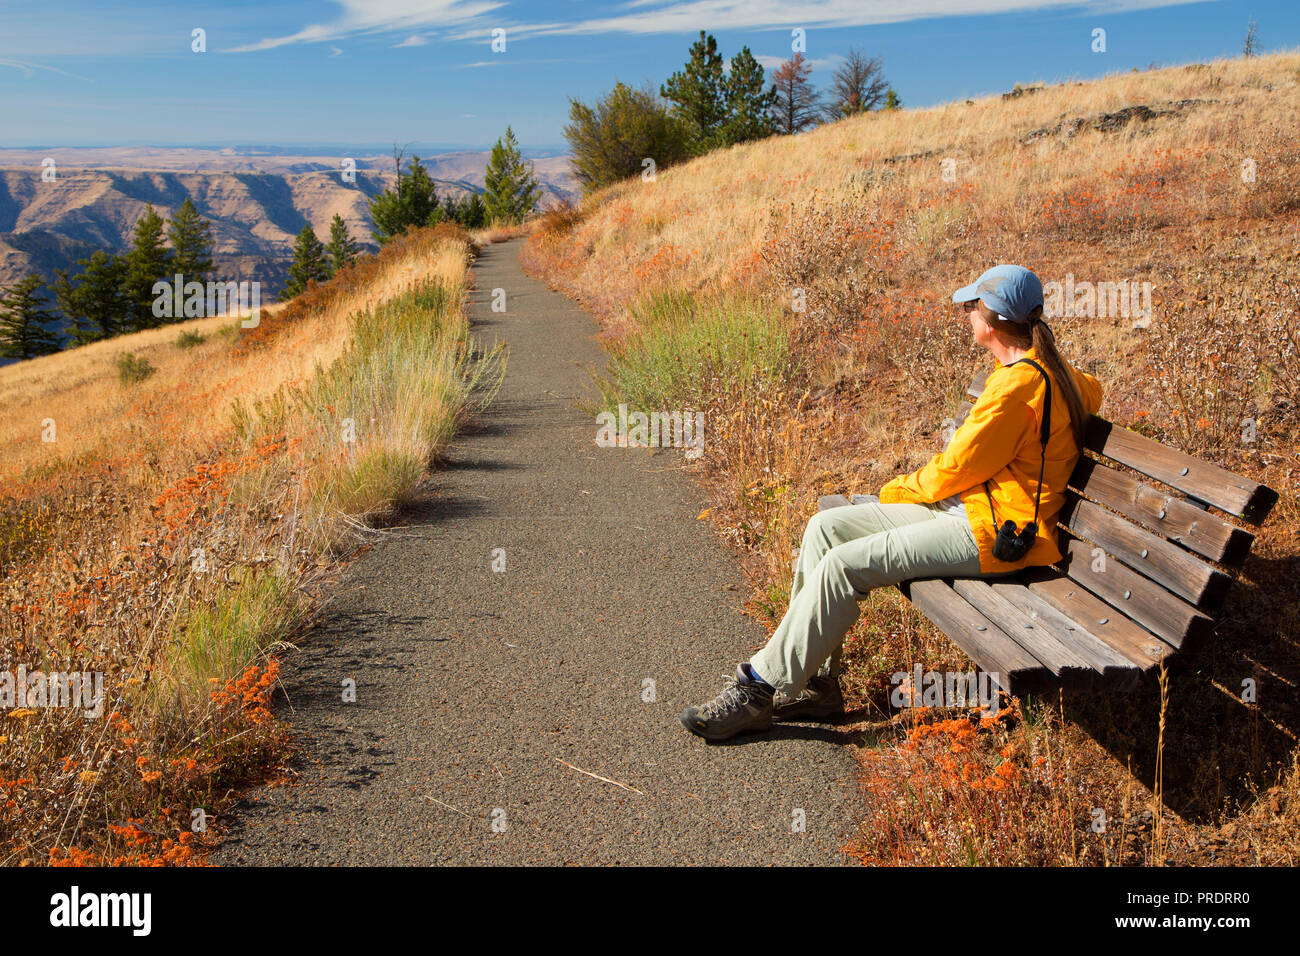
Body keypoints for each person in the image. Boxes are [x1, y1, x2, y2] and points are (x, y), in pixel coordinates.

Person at [680, 264, 1104, 741]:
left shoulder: (1014, 389)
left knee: (843, 565)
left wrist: (895, 491)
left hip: (994, 535)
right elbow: (1090, 390)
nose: (966, 316)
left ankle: (758, 689)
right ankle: (820, 686)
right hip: (970, 511)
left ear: (990, 319)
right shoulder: (1051, 373)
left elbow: (955, 470)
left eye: (971, 307)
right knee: (827, 528)